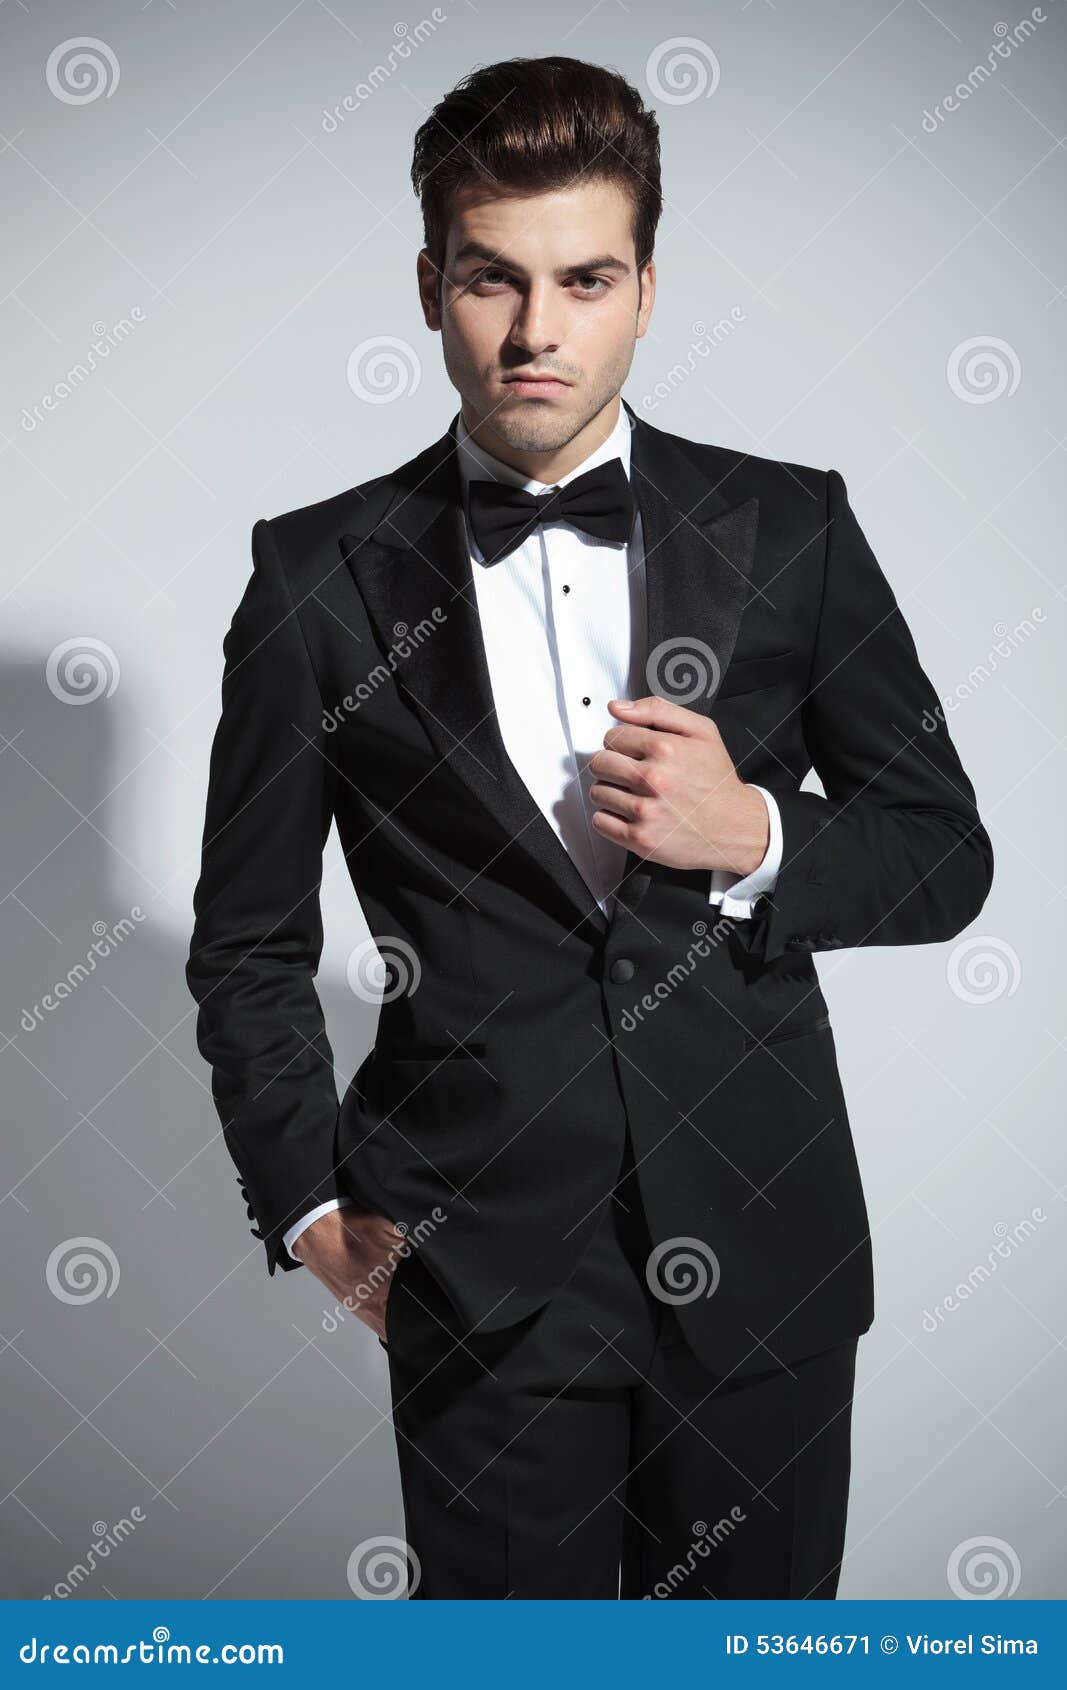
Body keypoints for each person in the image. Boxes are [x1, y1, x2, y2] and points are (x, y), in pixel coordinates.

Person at [186, 55, 993, 1599]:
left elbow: (943, 849)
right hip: (476, 1277)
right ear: (431, 286)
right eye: (494, 278)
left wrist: (756, 826)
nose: (538, 330)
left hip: (764, 1255)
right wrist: (307, 1206)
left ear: (645, 288)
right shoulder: (312, 582)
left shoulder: (789, 525)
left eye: (586, 278)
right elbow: (248, 944)